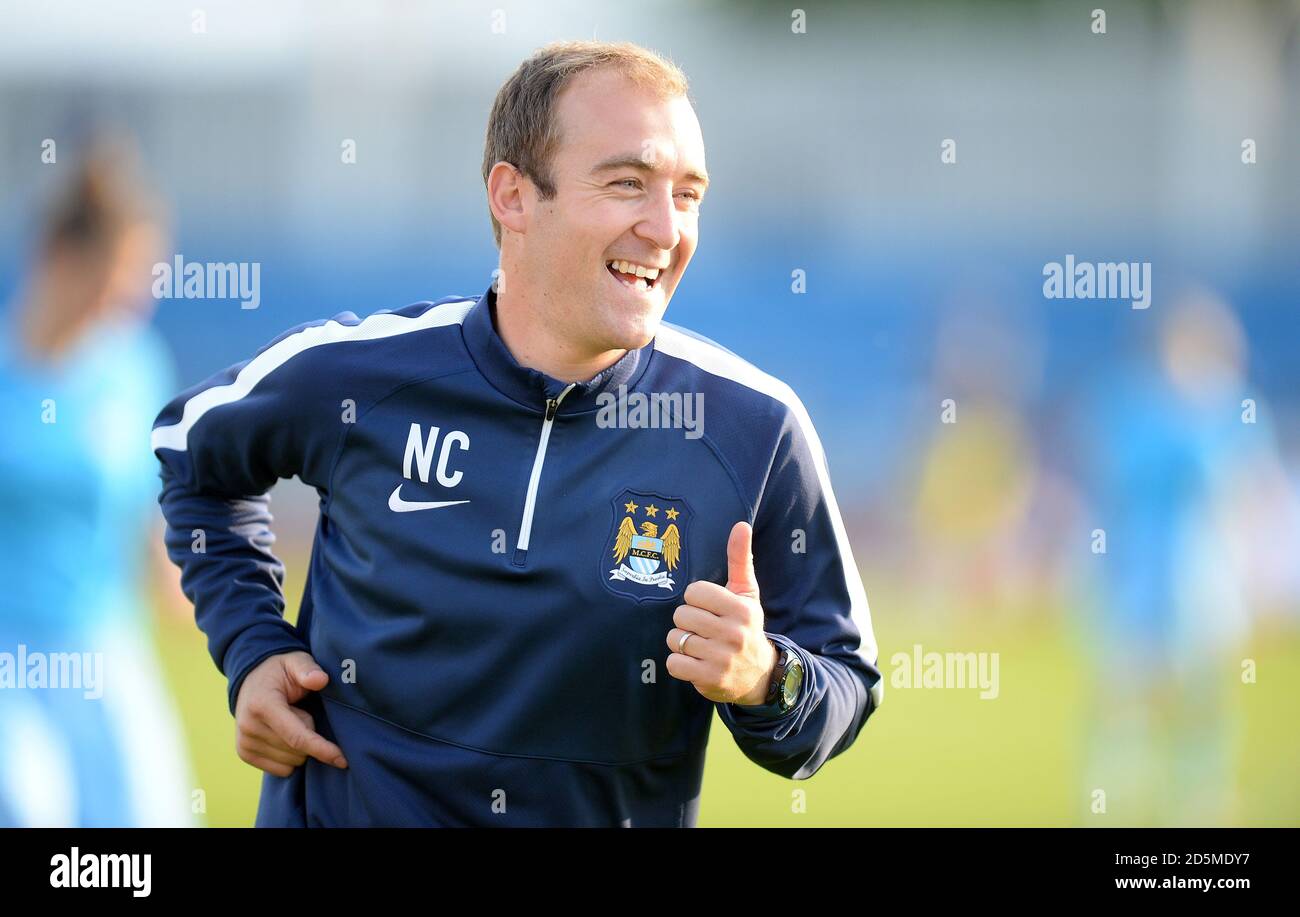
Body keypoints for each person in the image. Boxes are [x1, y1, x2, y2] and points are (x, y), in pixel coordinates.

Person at [152, 40, 882, 827]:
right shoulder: (356, 375)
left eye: (689, 194)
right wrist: (254, 647)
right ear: (513, 196)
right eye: (628, 183)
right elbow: (193, 458)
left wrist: (766, 676)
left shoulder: (753, 427)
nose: (666, 228)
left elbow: (845, 681)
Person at [0, 140, 198, 826]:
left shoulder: (133, 366)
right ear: (63, 258)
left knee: (146, 821)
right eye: (120, 275)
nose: (133, 298)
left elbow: (146, 499)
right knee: (27, 806)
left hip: (104, 645)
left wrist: (185, 573)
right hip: (7, 655)